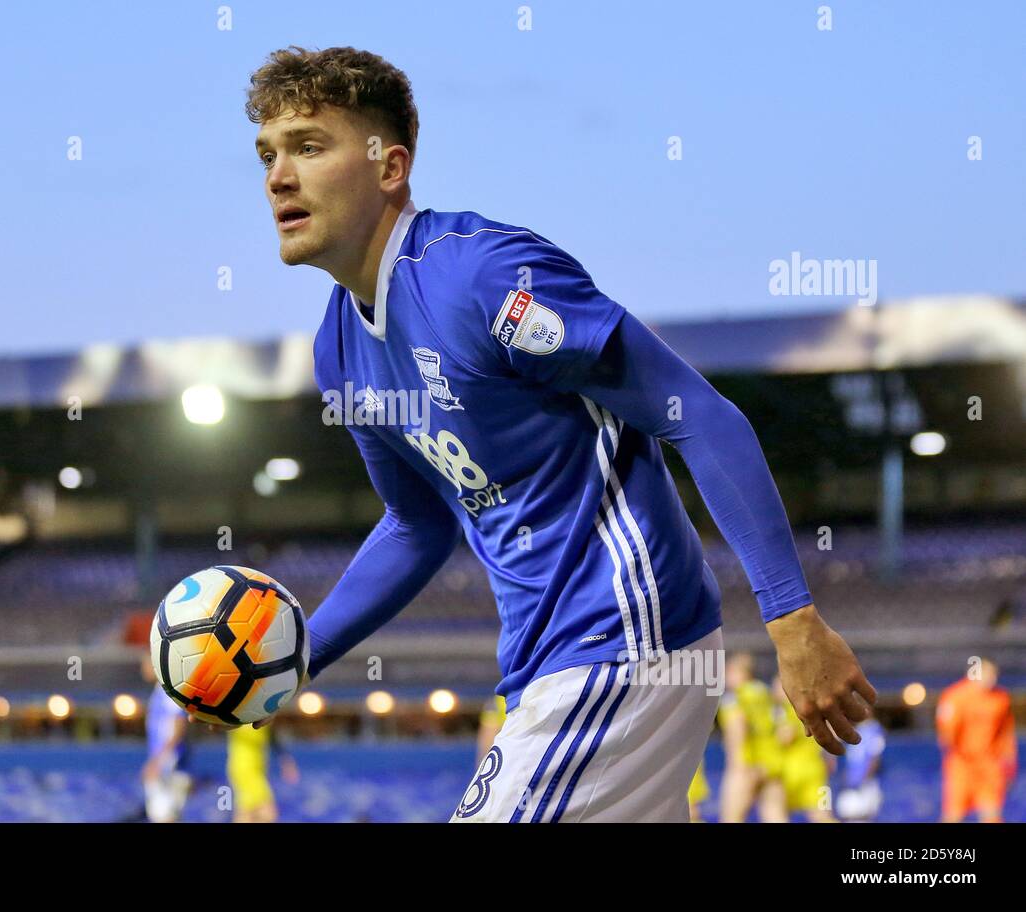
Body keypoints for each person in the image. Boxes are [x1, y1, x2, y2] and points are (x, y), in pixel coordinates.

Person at [247, 45, 874, 823]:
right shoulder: (339, 350)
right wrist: (294, 658)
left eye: (310, 146)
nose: (278, 176)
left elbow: (697, 414)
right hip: (549, 666)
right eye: (268, 154)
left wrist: (793, 619)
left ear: (389, 166)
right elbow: (418, 526)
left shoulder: (485, 277)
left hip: (622, 642)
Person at [937, 659, 1016, 823]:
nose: (991, 678)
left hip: (989, 764)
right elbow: (946, 733)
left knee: (992, 814)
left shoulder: (1000, 698)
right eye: (986, 673)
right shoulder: (955, 696)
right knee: (954, 814)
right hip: (962, 764)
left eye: (993, 674)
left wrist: (1009, 764)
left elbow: (1006, 733)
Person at [718, 655, 786, 823]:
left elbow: (737, 727)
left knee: (731, 819)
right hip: (772, 763)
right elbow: (782, 730)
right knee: (774, 815)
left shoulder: (735, 697)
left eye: (729, 672)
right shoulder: (765, 693)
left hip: (745, 764)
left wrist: (738, 765)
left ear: (740, 672)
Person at [774, 674, 835, 822]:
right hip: (817, 773)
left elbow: (784, 737)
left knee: (778, 815)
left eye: (778, 686)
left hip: (793, 775)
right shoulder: (814, 709)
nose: (774, 690)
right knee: (823, 814)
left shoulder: (785, 711)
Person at [141, 656, 191, 823]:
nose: (143, 667)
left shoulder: (168, 691)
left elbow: (178, 724)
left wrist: (159, 760)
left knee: (164, 815)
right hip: (166, 760)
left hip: (170, 762)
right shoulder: (159, 690)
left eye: (146, 662)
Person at [227, 722, 299, 823]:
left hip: (258, 769)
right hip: (243, 769)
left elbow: (273, 738)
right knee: (265, 812)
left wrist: (286, 761)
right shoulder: (236, 713)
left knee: (248, 812)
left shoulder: (262, 714)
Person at [836, 717, 885, 822]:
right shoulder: (854, 730)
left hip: (867, 783)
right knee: (849, 815)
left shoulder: (873, 728)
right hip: (851, 783)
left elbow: (875, 757)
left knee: (863, 815)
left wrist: (865, 779)